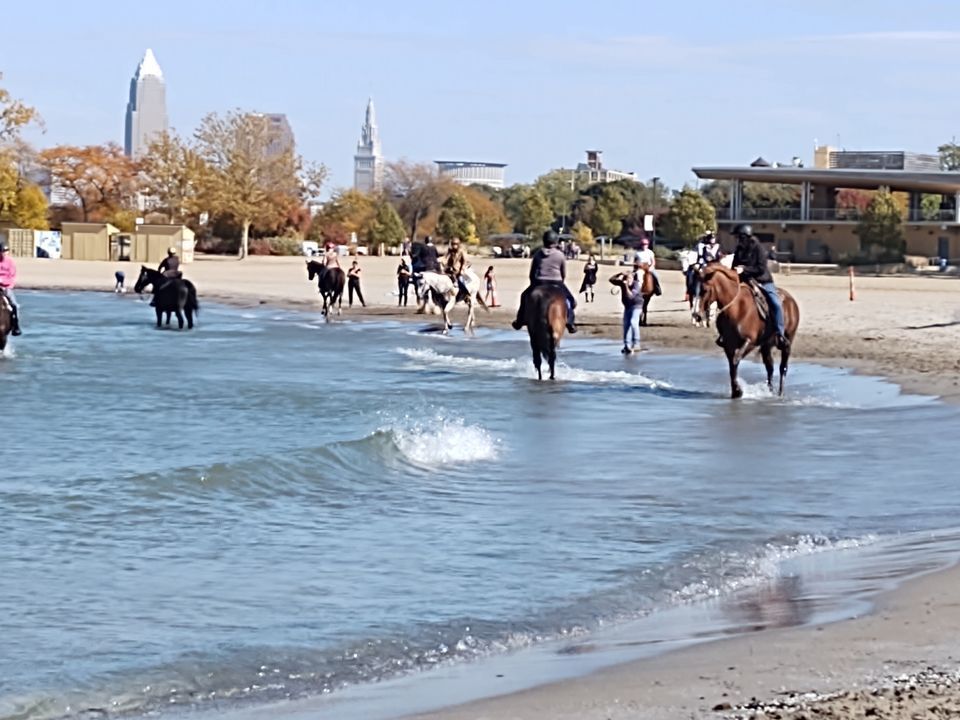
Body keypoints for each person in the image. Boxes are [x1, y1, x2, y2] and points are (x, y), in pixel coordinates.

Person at [730, 224, 788, 349]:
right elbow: (734, 265)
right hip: (744, 281)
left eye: (738, 237)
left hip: (762, 280)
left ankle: (780, 333)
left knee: (775, 303)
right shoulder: (739, 249)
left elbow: (761, 268)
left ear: (745, 237)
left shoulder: (759, 249)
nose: (737, 240)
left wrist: (744, 269)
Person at [511, 230, 577, 333]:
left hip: (539, 282)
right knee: (570, 300)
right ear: (556, 241)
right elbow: (563, 272)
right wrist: (561, 282)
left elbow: (532, 272)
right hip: (556, 282)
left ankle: (520, 321)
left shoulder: (538, 254)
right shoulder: (560, 255)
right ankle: (570, 322)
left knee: (524, 297)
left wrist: (533, 283)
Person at [619, 259, 644, 354]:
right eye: (626, 279)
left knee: (633, 322)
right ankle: (627, 345)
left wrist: (625, 286)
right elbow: (611, 279)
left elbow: (630, 296)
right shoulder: (625, 280)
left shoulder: (636, 284)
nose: (628, 280)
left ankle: (636, 343)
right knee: (626, 324)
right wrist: (620, 274)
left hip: (636, 305)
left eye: (629, 279)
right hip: (627, 305)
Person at [0, 242, 22, 335]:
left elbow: (12, 277)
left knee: (14, 305)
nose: (4, 253)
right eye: (3, 251)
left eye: (6, 251)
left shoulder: (10, 262)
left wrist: (4, 283)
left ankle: (16, 326)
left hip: (6, 287)